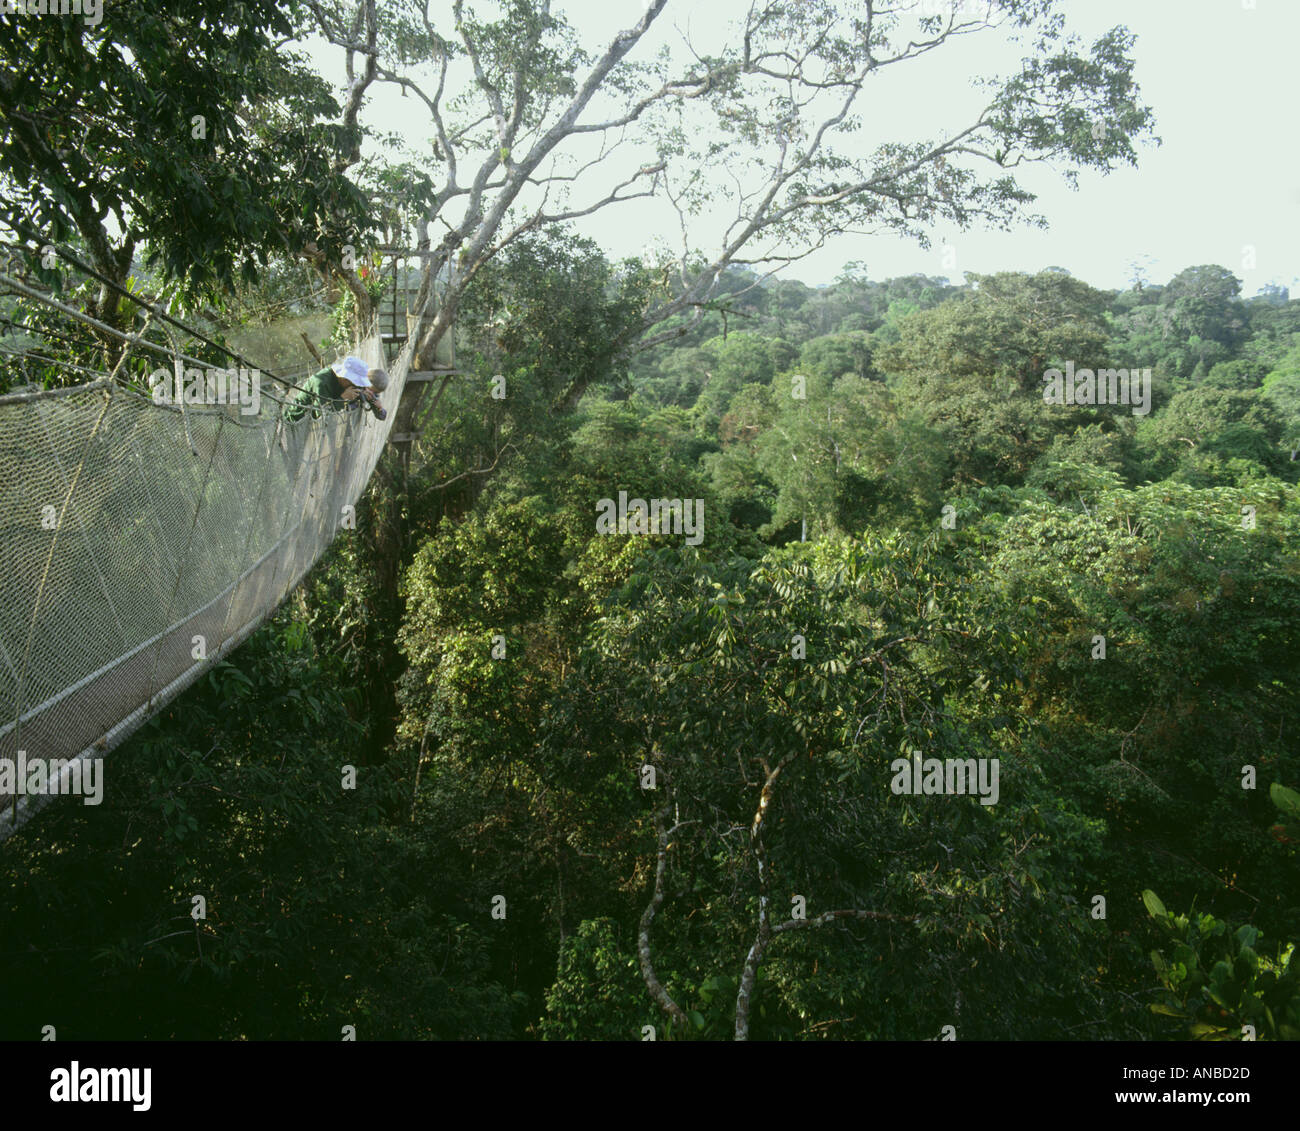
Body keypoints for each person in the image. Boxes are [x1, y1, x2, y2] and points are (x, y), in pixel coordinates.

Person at [283, 355, 388, 423]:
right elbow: (320, 415)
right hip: (295, 421)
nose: (358, 386)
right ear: (345, 377)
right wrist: (342, 398)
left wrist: (377, 405)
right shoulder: (321, 382)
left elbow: (382, 415)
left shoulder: (352, 385)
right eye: (355, 382)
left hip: (314, 429)